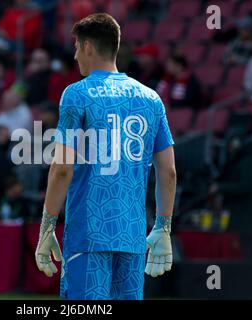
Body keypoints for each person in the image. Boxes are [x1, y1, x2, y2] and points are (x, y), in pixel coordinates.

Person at [35, 13, 176, 300]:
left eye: (76, 47)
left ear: (88, 46)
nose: (74, 56)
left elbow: (62, 169)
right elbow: (168, 171)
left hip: (89, 231)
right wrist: (163, 227)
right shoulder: (151, 98)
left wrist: (47, 226)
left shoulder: (77, 94)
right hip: (132, 234)